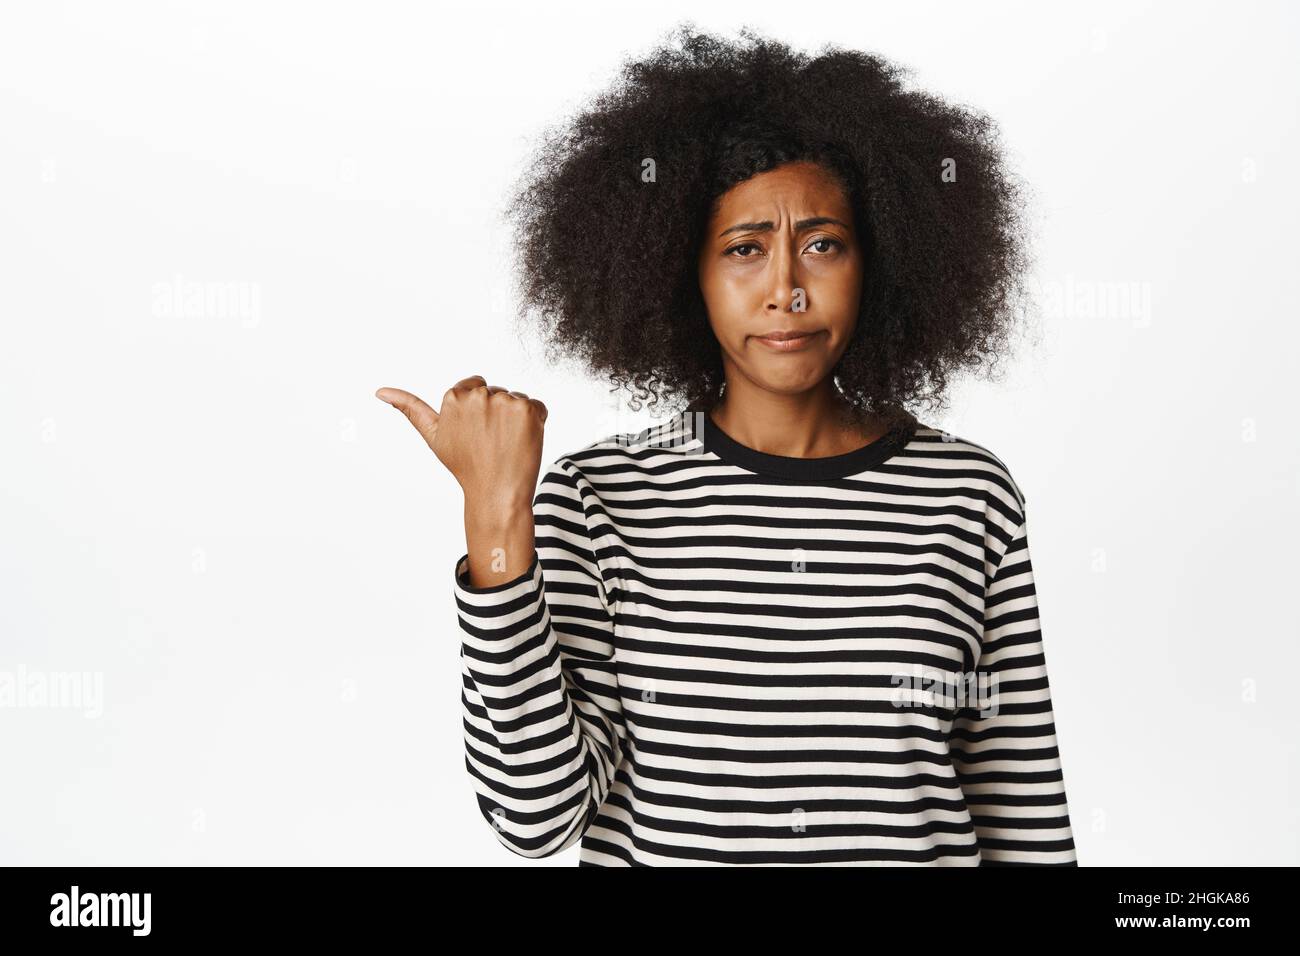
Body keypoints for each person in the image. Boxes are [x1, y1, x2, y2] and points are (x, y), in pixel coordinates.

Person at [377, 25, 1077, 866]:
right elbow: (537, 820)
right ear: (682, 274)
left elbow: (1018, 804)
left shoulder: (969, 494)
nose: (786, 288)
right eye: (745, 249)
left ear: (880, 262)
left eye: (823, 244)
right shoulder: (600, 501)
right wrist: (496, 523)